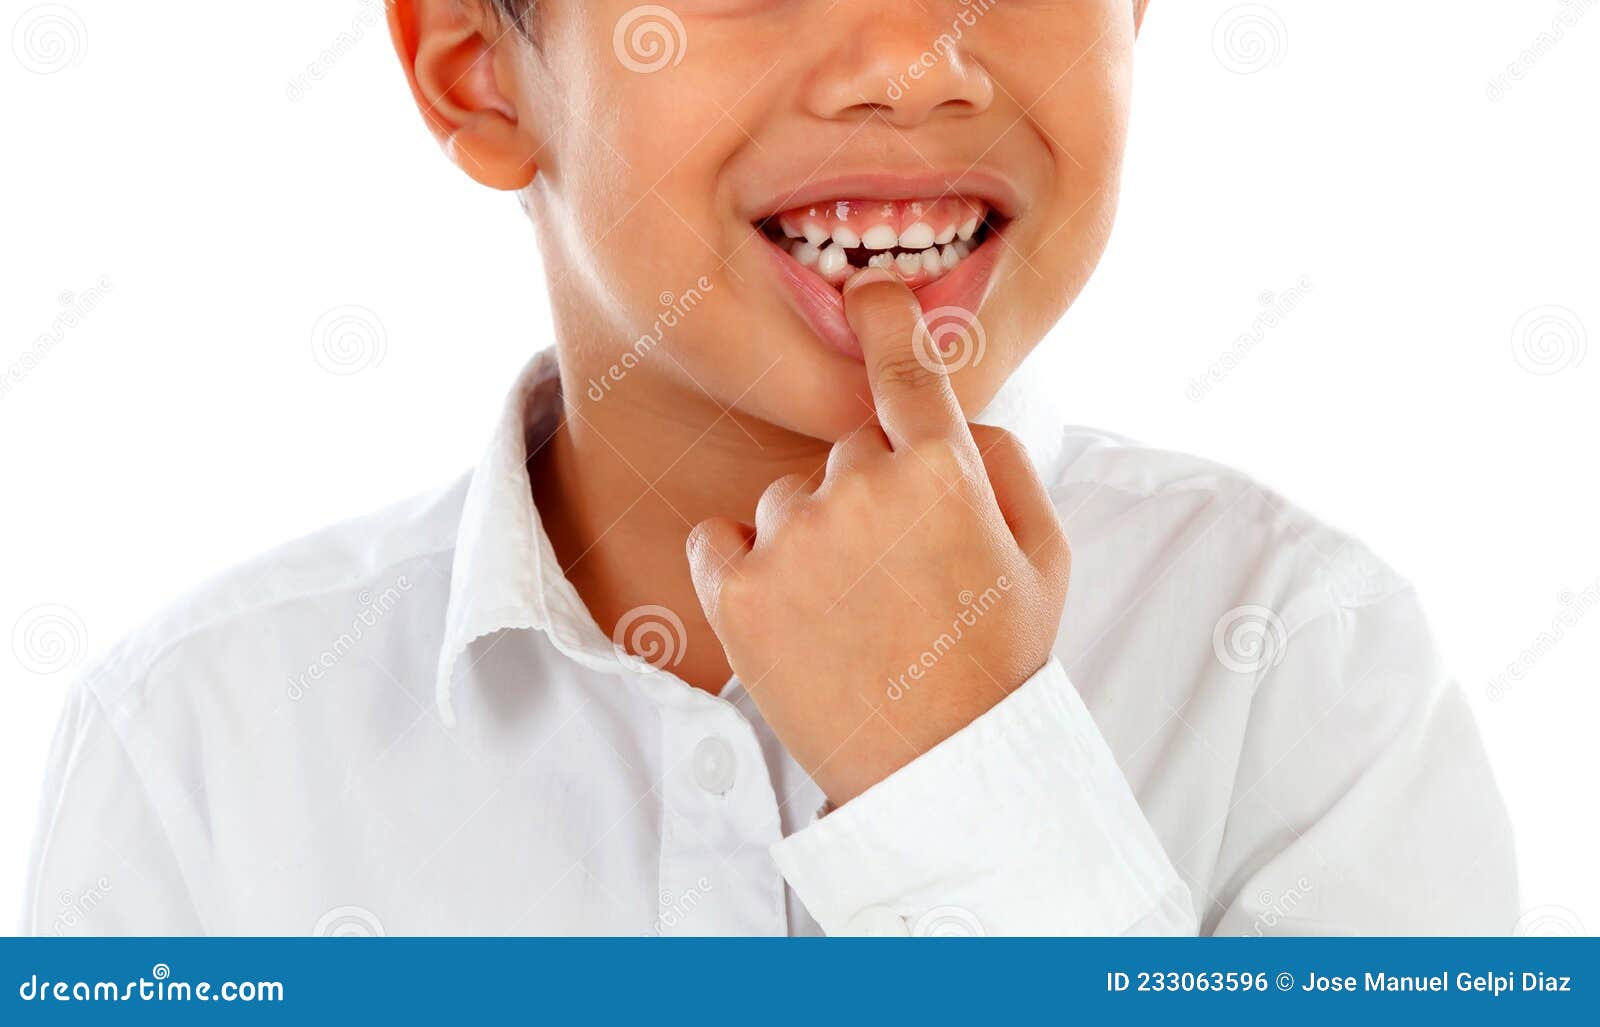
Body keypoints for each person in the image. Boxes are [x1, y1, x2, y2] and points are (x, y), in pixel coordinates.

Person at [22, 0, 1515, 936]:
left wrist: (965, 769)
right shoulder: (199, 746)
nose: (903, 65)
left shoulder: (1306, 664)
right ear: (483, 78)